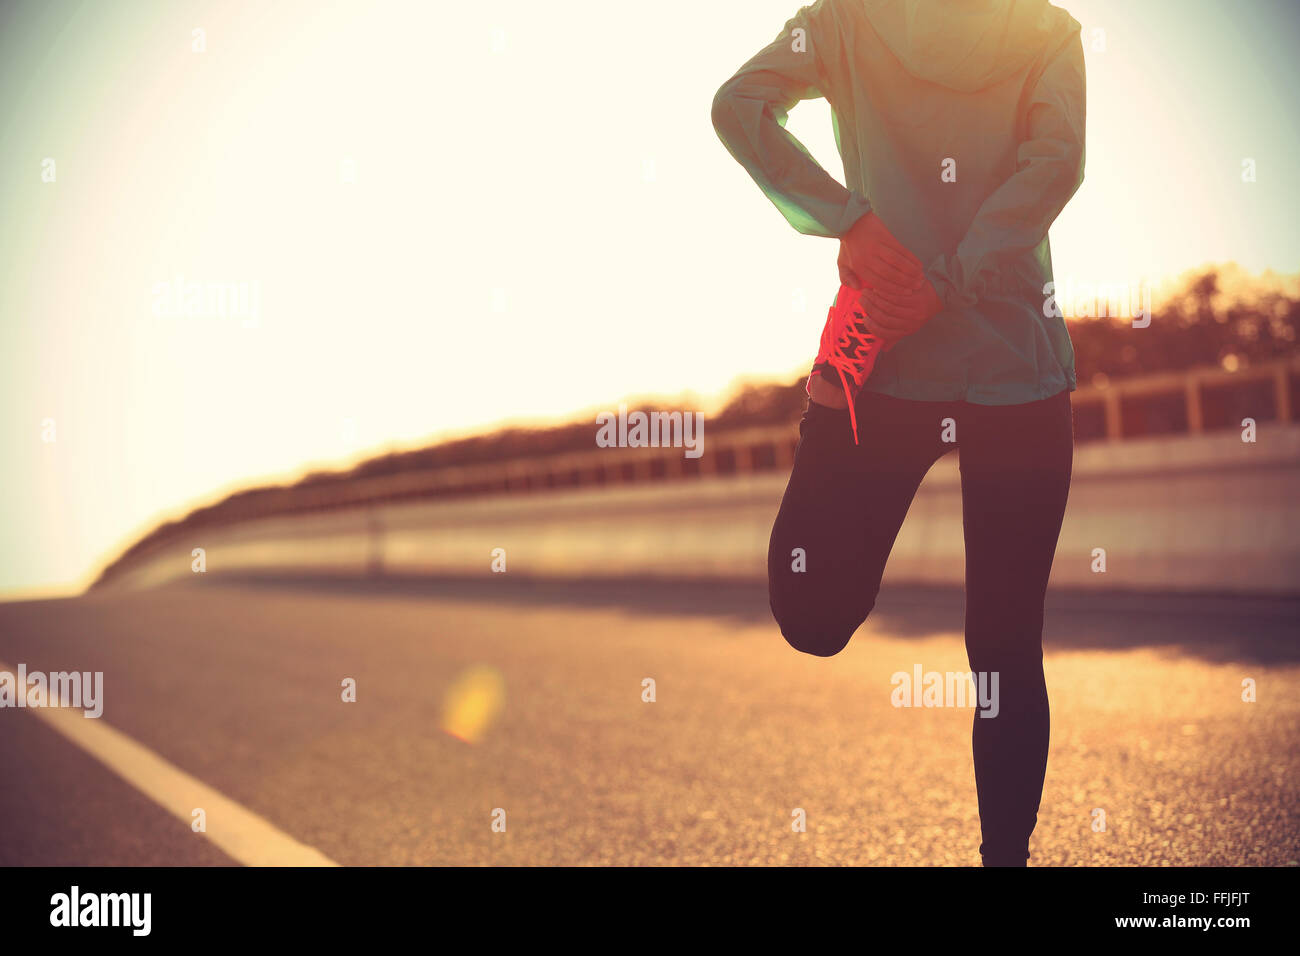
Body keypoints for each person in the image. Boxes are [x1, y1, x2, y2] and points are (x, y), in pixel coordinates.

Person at [711, 0, 1086, 866]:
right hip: (1013, 364)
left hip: (888, 366)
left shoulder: (840, 22)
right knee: (1003, 646)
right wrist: (946, 275)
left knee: (821, 614)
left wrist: (846, 220)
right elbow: (1055, 164)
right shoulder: (1047, 29)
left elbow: (739, 106)